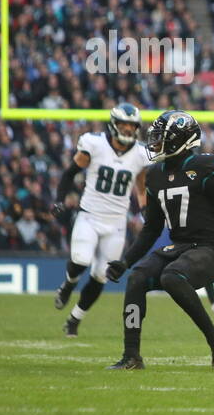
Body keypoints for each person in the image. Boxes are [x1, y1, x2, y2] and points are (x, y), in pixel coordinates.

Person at [104, 111, 214, 369]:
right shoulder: (155, 174)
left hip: (208, 250)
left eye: (162, 138)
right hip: (177, 249)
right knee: (136, 278)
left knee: (172, 276)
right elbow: (151, 229)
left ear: (181, 139)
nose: (155, 143)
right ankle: (131, 355)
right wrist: (125, 262)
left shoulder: (204, 166)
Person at [51, 103, 151, 337]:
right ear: (114, 125)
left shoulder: (140, 154)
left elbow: (141, 186)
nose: (127, 130)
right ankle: (68, 284)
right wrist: (59, 200)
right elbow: (69, 173)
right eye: (124, 125)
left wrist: (145, 209)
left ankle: (75, 319)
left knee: (101, 275)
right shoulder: (94, 144)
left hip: (117, 221)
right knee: (81, 259)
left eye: (132, 126)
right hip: (90, 214)